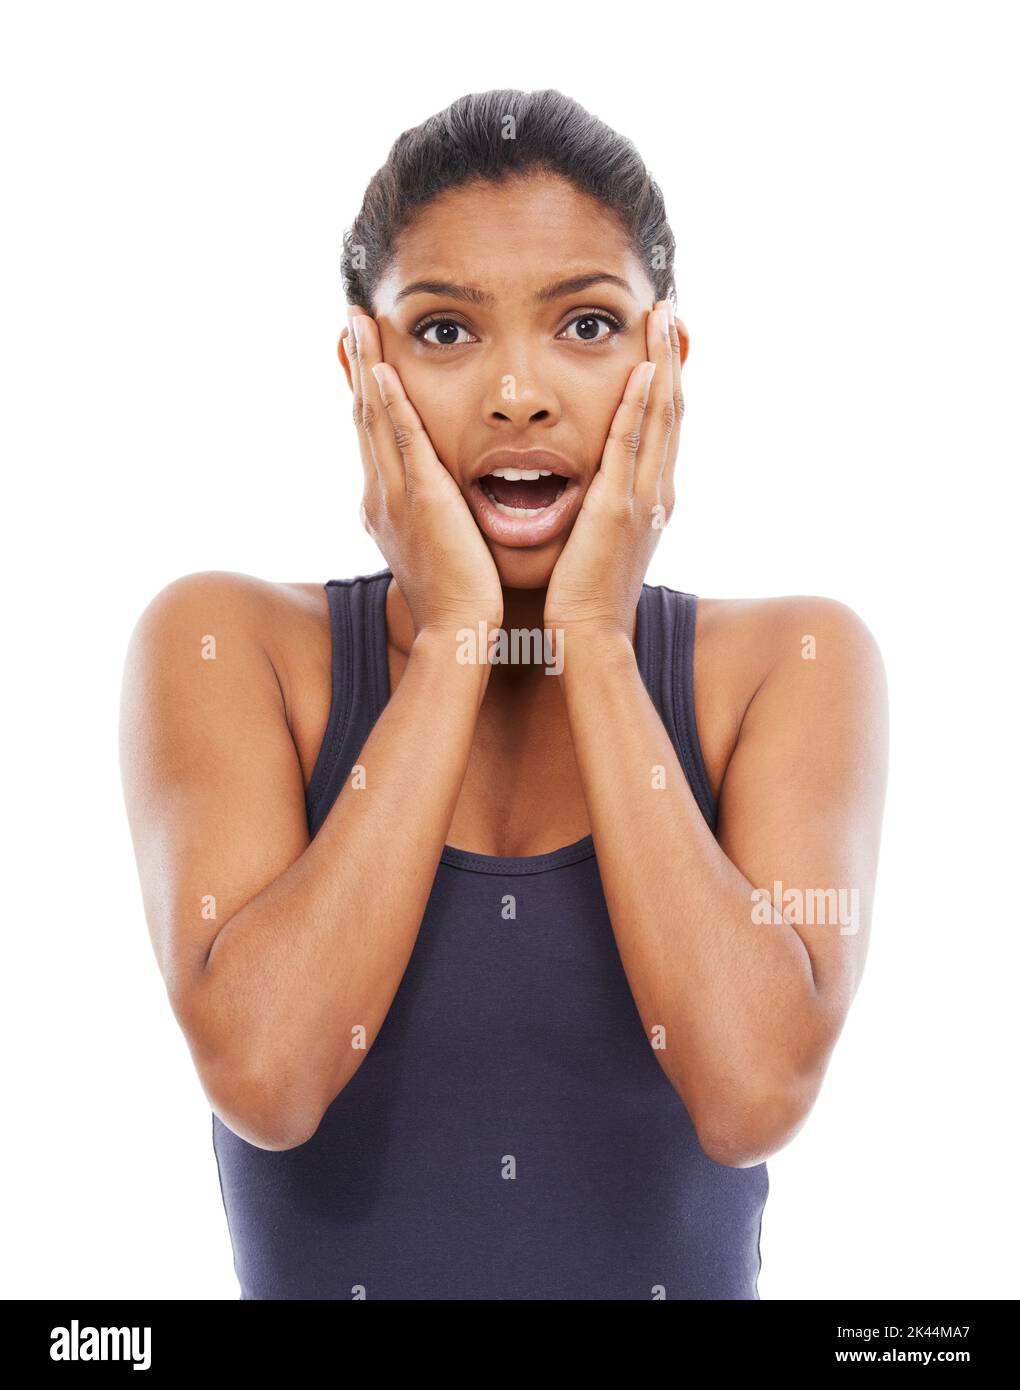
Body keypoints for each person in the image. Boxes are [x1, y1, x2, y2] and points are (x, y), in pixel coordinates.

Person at [118, 88, 888, 1300]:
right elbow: (269, 1075)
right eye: (443, 333)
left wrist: (592, 635)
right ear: (361, 368)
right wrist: (458, 636)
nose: (518, 394)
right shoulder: (227, 643)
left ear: (665, 361)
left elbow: (750, 1094)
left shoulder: (793, 664)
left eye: (586, 325)